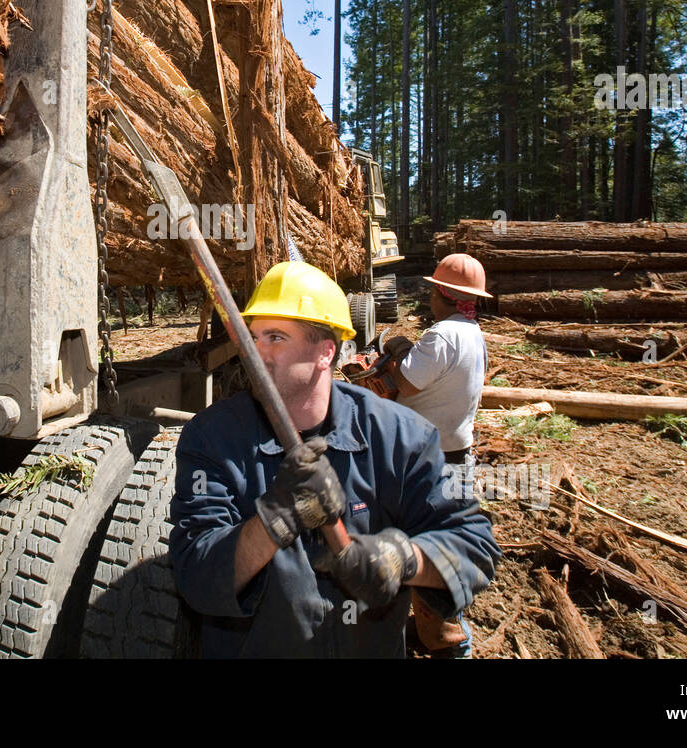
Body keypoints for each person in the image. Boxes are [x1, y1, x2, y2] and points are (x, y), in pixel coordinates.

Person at [168, 260, 500, 658]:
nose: (257, 354)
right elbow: (196, 575)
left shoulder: (399, 436)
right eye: (253, 337)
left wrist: (400, 559)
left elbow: (473, 545)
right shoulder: (212, 439)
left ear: (326, 352)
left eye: (276, 337)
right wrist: (274, 518)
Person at [382, 252, 493, 656]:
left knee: (429, 551)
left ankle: (447, 639)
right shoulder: (472, 332)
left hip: (429, 461)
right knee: (448, 546)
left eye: (433, 290)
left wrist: (396, 352)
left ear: (442, 293)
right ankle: (437, 626)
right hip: (457, 454)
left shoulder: (442, 335)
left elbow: (407, 385)